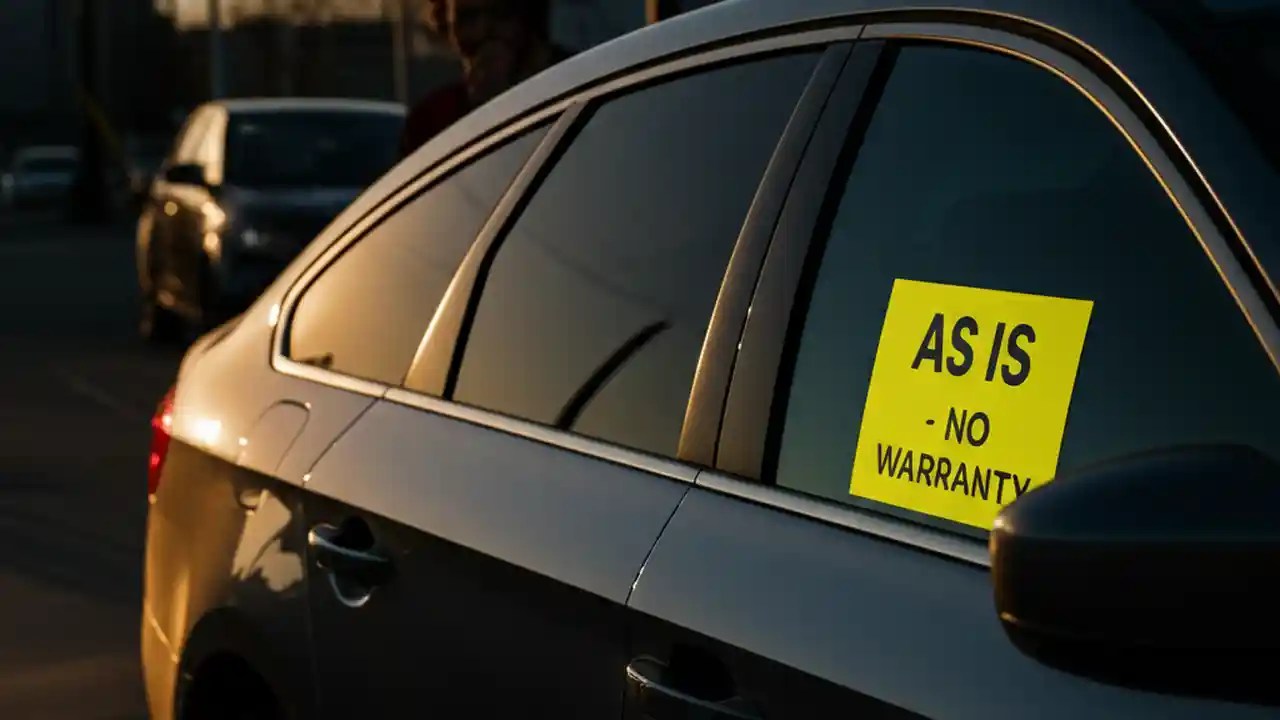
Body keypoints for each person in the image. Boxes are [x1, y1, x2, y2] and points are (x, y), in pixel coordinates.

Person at [399, 0, 571, 158]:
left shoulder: (574, 86)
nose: (483, 31)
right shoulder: (430, 120)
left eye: (500, 15)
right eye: (468, 17)